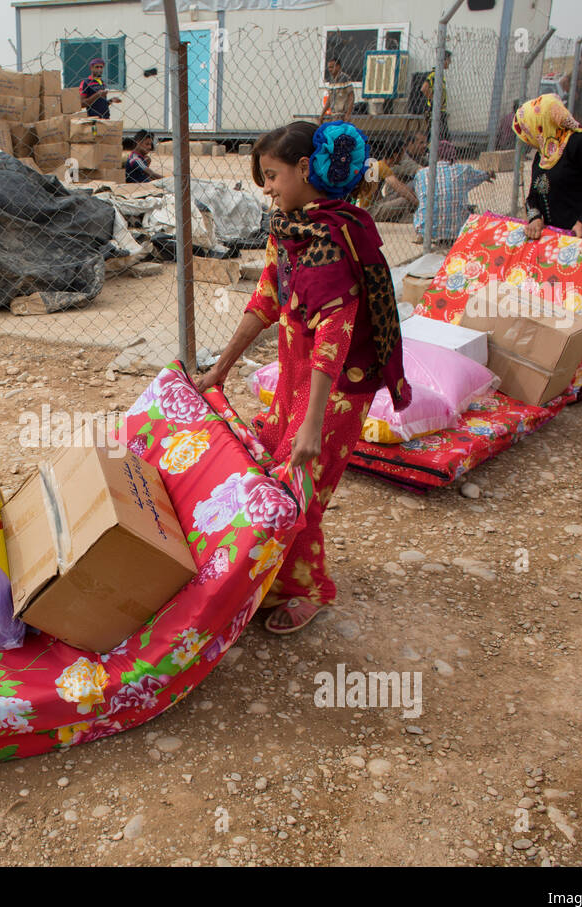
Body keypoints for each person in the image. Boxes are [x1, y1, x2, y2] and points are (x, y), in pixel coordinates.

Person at [194, 121, 410, 634]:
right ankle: (281, 575)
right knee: (272, 471)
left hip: (333, 392)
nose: (265, 188)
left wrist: (312, 424)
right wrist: (219, 368)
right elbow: (268, 298)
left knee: (301, 490)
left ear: (306, 169)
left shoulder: (336, 239)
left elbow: (335, 336)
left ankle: (313, 588)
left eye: (271, 175)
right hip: (298, 375)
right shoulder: (291, 228)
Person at [513, 94, 582, 399]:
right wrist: (534, 218)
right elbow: (534, 194)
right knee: (554, 305)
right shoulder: (545, 151)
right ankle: (559, 371)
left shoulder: (580, 145)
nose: (527, 133)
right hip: (555, 242)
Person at [412, 147, 494, 243]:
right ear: (452, 157)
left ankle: (422, 234)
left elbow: (420, 196)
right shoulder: (463, 170)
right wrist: (488, 174)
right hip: (457, 231)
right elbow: (480, 176)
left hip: (426, 231)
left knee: (422, 207)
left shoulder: (421, 173)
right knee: (468, 209)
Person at [363, 134, 420, 222]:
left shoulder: (381, 166)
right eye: (402, 154)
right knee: (405, 200)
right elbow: (398, 187)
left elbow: (402, 186)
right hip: (368, 211)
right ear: (395, 154)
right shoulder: (380, 166)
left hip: (376, 205)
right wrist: (418, 202)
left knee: (406, 192)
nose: (403, 158)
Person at [420, 50, 452, 135]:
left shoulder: (441, 76)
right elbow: (424, 88)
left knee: (441, 136)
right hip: (435, 111)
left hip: (441, 111)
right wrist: (434, 101)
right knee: (438, 135)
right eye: (449, 60)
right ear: (443, 60)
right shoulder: (434, 74)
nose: (450, 62)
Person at [320, 57, 354, 123]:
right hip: (333, 115)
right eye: (329, 67)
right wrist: (322, 114)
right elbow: (329, 99)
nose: (330, 69)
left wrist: (348, 114)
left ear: (338, 67)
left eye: (332, 67)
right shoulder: (331, 81)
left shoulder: (345, 79)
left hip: (343, 115)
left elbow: (351, 97)